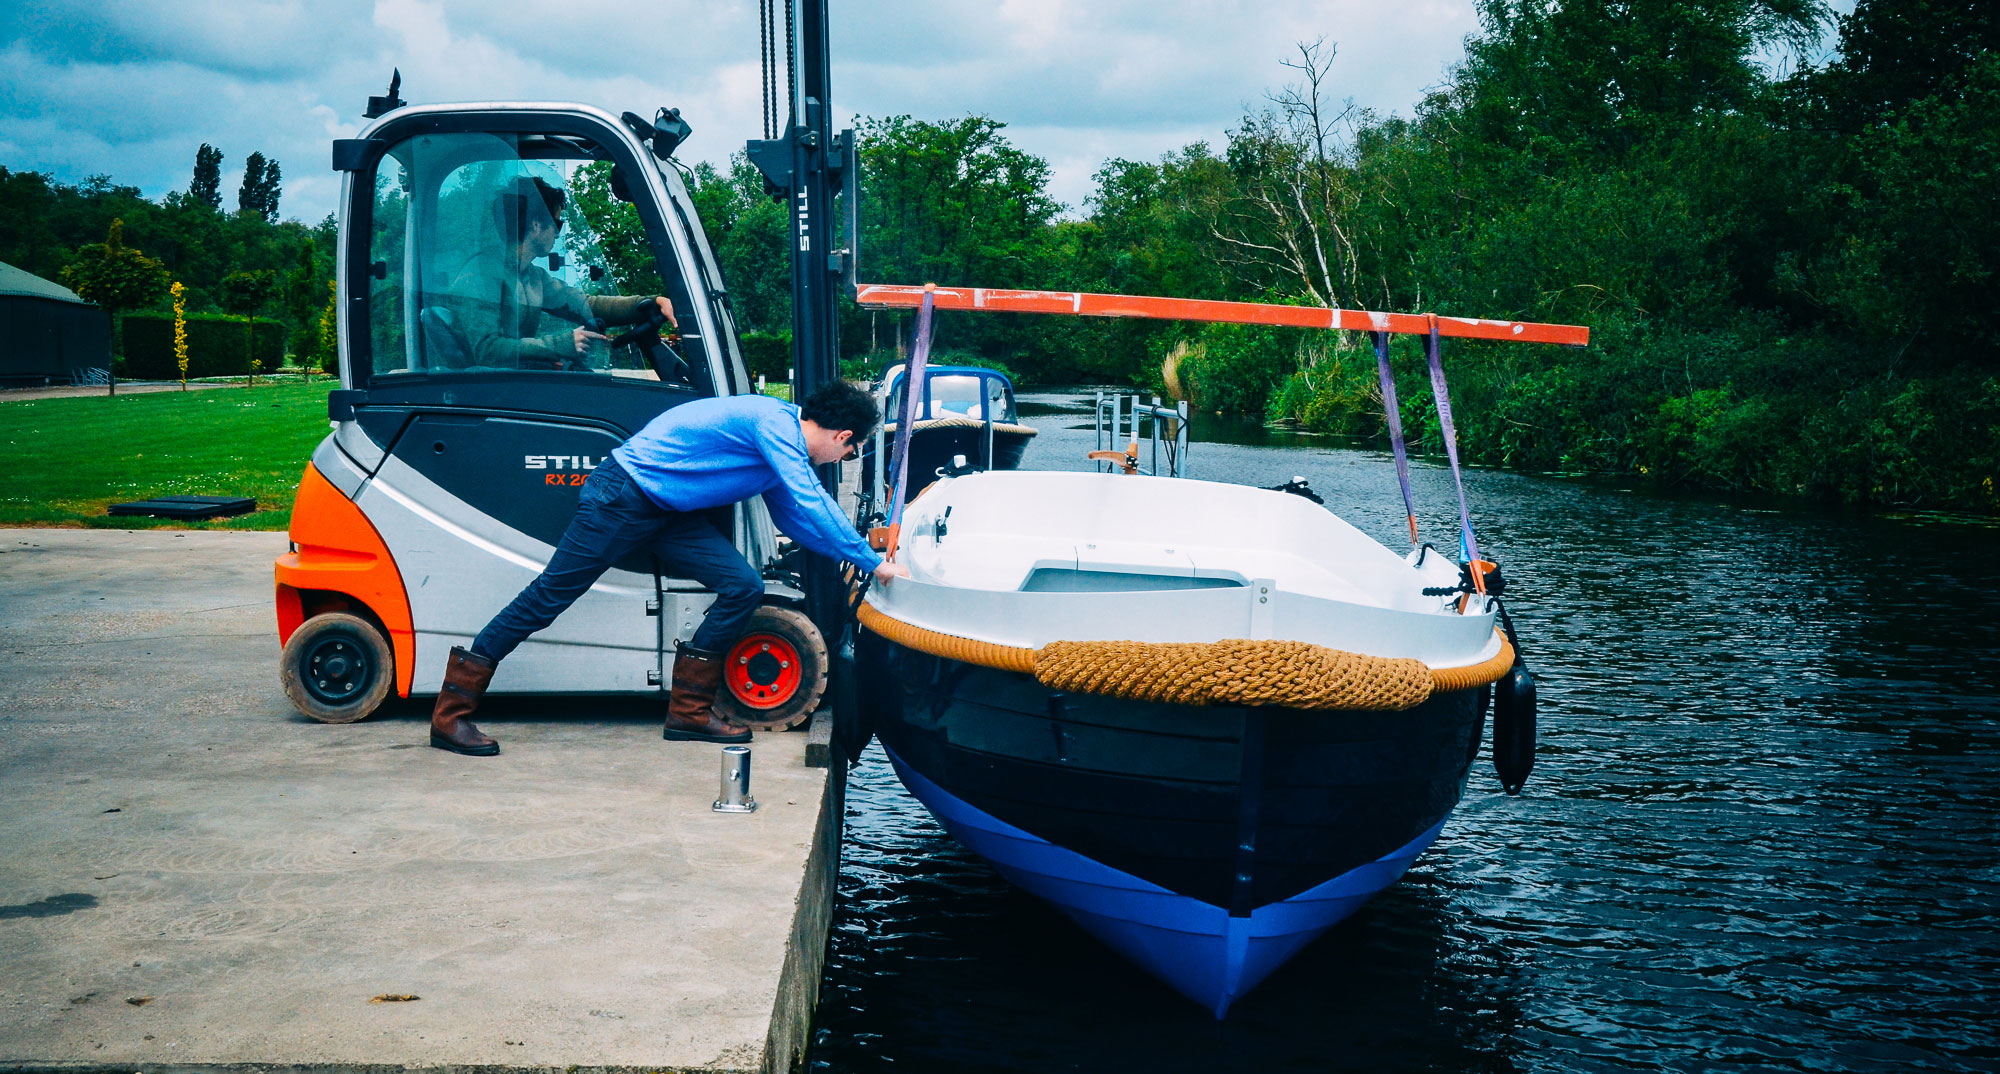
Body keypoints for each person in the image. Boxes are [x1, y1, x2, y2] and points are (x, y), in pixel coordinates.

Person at [429, 381, 911, 756]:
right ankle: (452, 714)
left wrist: (850, 558)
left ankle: (688, 713)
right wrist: (873, 561)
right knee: (548, 598)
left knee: (741, 585)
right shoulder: (775, 426)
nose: (843, 458)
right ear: (842, 436)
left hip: (665, 513)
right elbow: (811, 498)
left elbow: (793, 517)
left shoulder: (780, 446)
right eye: (849, 450)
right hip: (621, 499)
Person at [443, 176, 669, 369]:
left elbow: (586, 305)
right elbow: (487, 351)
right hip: (488, 397)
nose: (558, 235)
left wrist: (651, 302)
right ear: (536, 226)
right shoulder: (479, 275)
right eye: (557, 225)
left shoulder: (533, 276)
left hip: (514, 384)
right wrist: (561, 344)